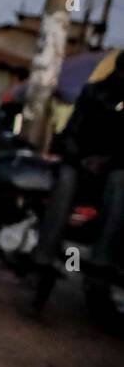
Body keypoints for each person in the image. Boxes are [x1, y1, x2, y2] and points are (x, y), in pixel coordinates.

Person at [32, 56, 124, 299]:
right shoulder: (92, 93)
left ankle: (101, 262)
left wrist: (108, 163)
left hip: (112, 170)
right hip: (80, 164)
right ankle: (43, 259)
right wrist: (81, 159)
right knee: (64, 181)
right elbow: (71, 132)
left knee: (120, 181)